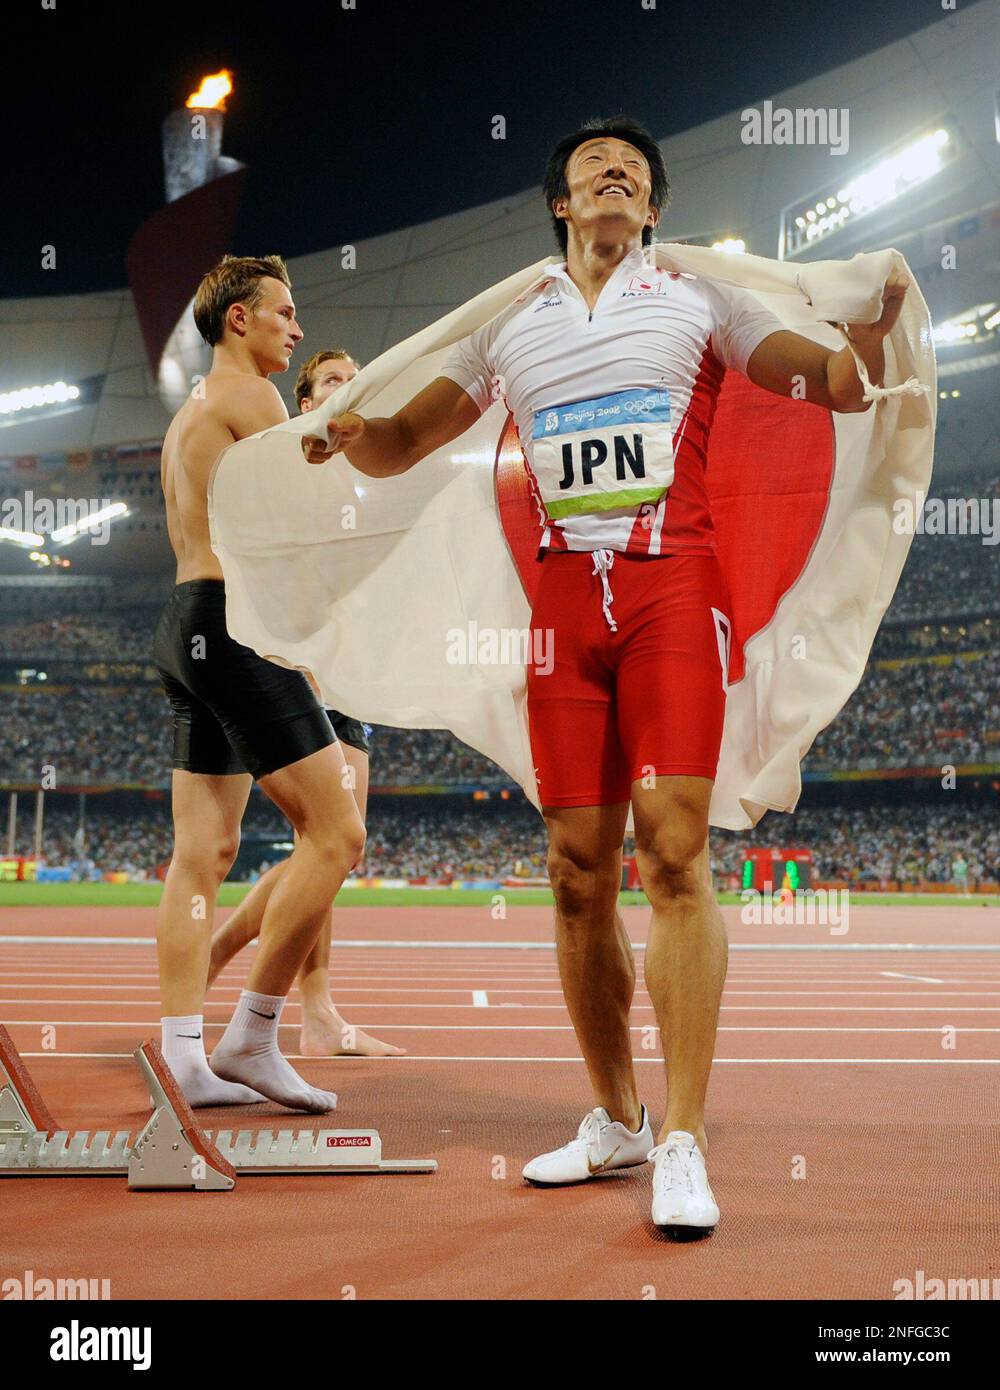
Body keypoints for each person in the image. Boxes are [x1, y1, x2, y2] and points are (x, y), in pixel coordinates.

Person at [301, 114, 908, 1232]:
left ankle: (683, 1136)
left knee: (672, 851)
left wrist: (864, 342)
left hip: (675, 592)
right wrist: (344, 435)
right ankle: (616, 1119)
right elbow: (399, 443)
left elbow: (823, 381)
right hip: (561, 614)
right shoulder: (509, 324)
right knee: (576, 869)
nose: (614, 175)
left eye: (632, 170)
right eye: (592, 169)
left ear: (653, 207)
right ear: (562, 204)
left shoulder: (697, 297)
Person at [153, 255, 366, 1111]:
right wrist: (343, 446)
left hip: (183, 622)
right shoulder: (254, 398)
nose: (298, 326)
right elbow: (301, 527)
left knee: (202, 856)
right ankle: (252, 1033)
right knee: (338, 834)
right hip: (233, 627)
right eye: (284, 312)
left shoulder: (190, 417)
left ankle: (181, 1057)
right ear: (239, 320)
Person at [207, 349, 404, 1059]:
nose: (344, 387)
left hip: (356, 672)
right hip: (306, 665)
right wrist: (298, 657)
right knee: (330, 838)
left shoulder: (376, 474)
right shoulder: (293, 464)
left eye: (355, 380)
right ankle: (284, 994)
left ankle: (302, 1002)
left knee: (331, 848)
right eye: (329, 380)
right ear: (304, 399)